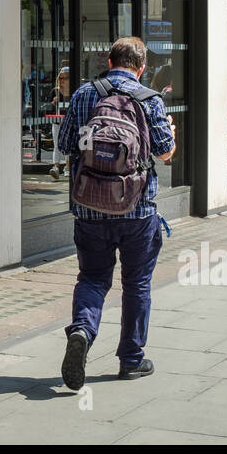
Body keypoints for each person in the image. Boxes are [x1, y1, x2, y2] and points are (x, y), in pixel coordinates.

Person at [57, 37, 175, 389]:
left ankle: (82, 329)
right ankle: (131, 360)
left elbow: (65, 144)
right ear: (142, 68)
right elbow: (166, 154)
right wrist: (171, 132)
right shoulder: (149, 99)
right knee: (136, 283)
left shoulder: (83, 95)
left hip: (89, 208)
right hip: (137, 209)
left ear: (109, 61)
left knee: (93, 278)